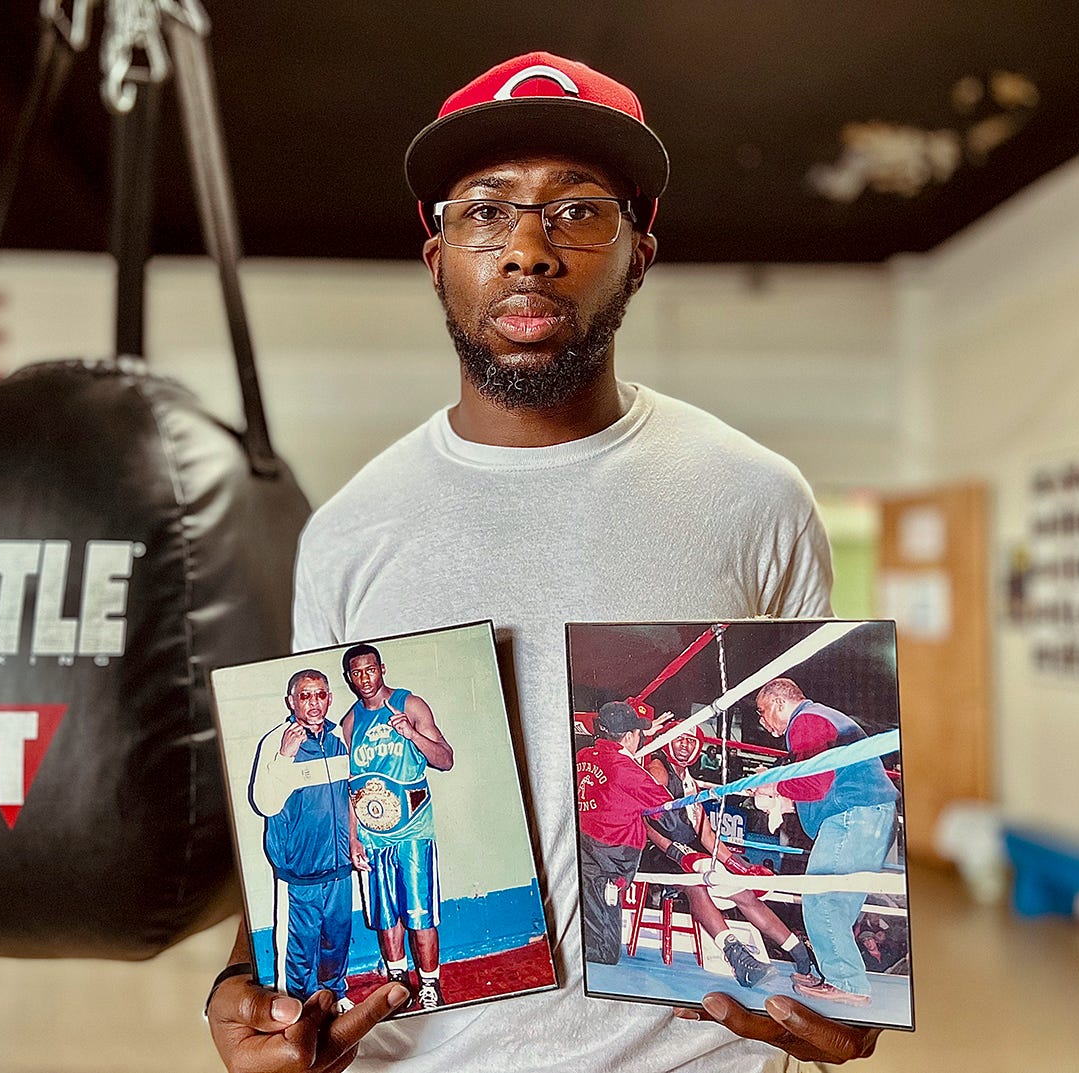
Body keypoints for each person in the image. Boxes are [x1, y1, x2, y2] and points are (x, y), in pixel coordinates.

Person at [207, 50, 881, 1070]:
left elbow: (811, 774)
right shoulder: (350, 531)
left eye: (576, 211)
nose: (527, 249)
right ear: (436, 256)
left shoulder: (756, 500)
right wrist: (238, 981)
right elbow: (315, 795)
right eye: (485, 211)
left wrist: (855, 979)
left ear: (639, 254)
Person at [754, 677, 900, 1007]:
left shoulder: (806, 721)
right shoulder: (821, 718)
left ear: (779, 703)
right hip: (870, 814)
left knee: (822, 897)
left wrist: (773, 784)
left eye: (763, 712)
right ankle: (836, 975)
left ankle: (846, 982)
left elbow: (814, 785)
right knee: (839, 901)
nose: (762, 722)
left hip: (855, 815)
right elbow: (823, 787)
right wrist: (780, 801)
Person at [642, 729, 817, 988]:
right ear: (668, 741)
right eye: (679, 739)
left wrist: (738, 865)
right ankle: (737, 958)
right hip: (658, 851)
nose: (685, 745)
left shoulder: (689, 782)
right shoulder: (658, 769)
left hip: (688, 851)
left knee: (743, 890)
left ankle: (799, 953)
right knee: (696, 883)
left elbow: (707, 835)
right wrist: (677, 852)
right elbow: (646, 819)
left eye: (691, 741)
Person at [340, 643, 454, 1011]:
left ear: (382, 668)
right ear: (349, 678)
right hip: (372, 837)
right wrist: (353, 838)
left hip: (413, 831)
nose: (364, 678)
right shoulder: (350, 723)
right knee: (386, 918)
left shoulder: (410, 705)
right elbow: (350, 787)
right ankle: (398, 984)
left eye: (370, 669)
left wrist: (412, 735)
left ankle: (431, 985)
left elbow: (446, 760)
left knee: (420, 913)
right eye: (357, 673)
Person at [249, 669, 366, 1010]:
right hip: (299, 870)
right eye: (305, 696)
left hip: (339, 866)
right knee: (299, 946)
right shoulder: (276, 741)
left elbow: (350, 795)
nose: (314, 703)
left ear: (329, 699)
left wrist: (354, 841)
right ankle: (297, 1007)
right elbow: (265, 803)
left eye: (320, 695)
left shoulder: (340, 739)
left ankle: (334, 994)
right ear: (292, 701)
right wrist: (285, 757)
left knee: (336, 938)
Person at [575, 701, 671, 965]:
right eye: (637, 734)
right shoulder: (626, 769)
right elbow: (666, 809)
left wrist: (641, 734)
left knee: (590, 904)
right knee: (605, 951)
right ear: (629, 736)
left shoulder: (584, 755)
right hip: (613, 855)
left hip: (584, 844)